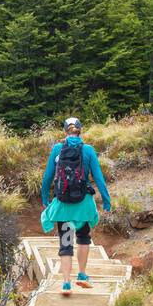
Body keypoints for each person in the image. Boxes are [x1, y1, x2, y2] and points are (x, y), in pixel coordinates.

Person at [40, 116, 111, 295]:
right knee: (83, 237)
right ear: (80, 130)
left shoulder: (57, 149)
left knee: (66, 242)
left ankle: (65, 284)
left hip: (63, 203)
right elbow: (99, 178)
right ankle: (81, 274)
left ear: (65, 131)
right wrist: (106, 200)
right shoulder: (88, 150)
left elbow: (48, 176)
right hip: (83, 204)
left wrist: (44, 197)